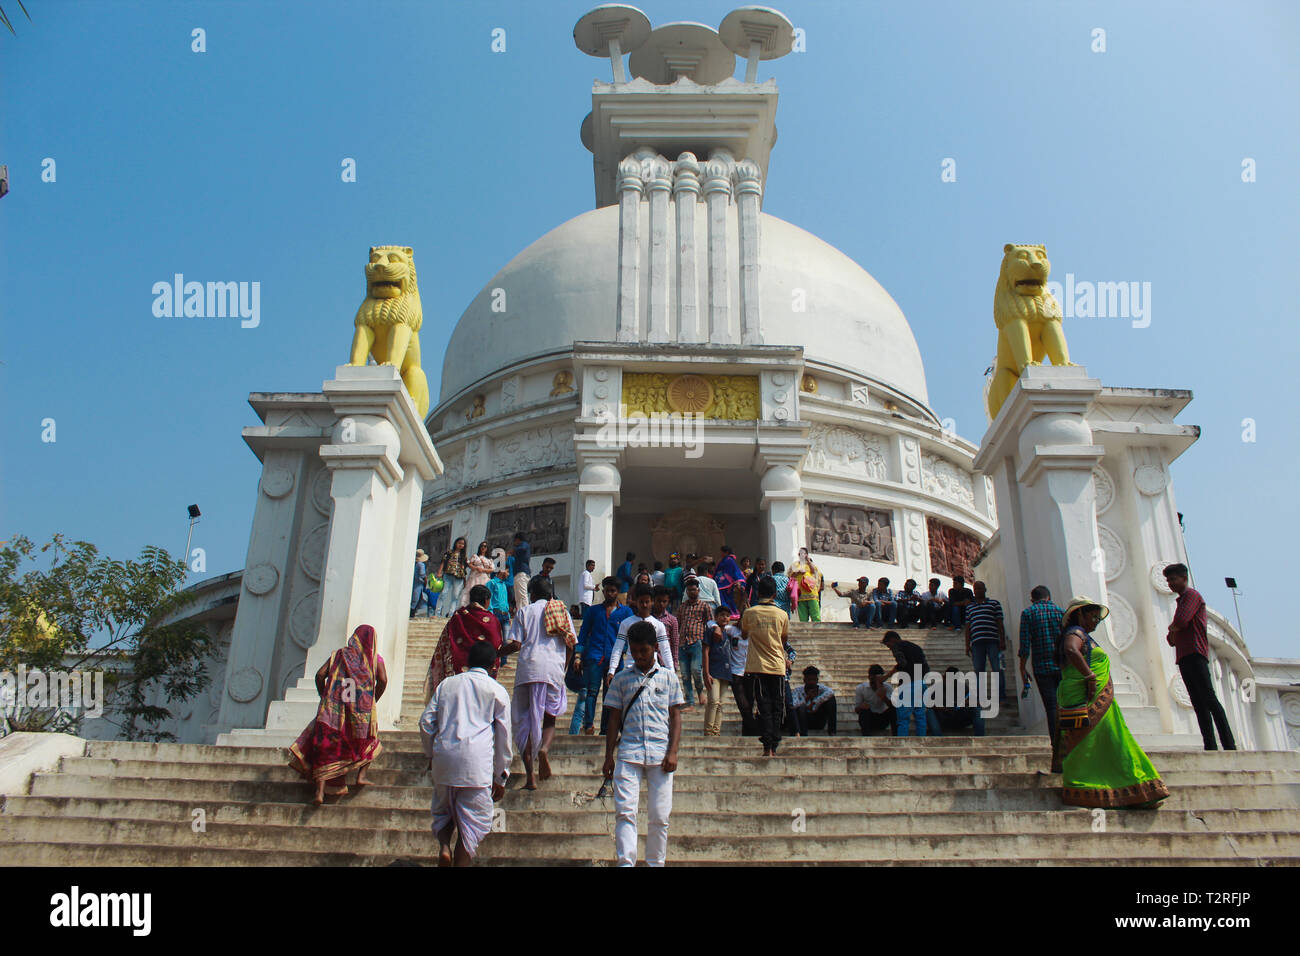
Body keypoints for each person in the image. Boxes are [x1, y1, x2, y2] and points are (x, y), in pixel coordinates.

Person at [1058, 597, 1170, 807]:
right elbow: (1071, 649)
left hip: (1092, 698)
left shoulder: (1083, 635)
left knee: (1107, 741)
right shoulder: (1076, 633)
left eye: (1097, 617)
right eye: (1092, 615)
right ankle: (1119, 787)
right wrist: (1089, 676)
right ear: (1080, 614)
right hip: (1087, 697)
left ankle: (1126, 789)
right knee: (1103, 742)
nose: (1096, 620)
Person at [420, 640, 511, 866]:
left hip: (444, 756)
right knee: (470, 826)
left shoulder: (447, 685)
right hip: (476, 764)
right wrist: (501, 775)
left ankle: (443, 847)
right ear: (493, 665)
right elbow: (504, 736)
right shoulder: (496, 690)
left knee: (443, 813)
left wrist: (432, 754)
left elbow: (425, 722)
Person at [602, 621, 684, 867]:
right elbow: (613, 720)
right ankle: (626, 862)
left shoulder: (669, 678)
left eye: (643, 652)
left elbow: (676, 717)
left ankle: (655, 863)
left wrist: (673, 752)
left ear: (655, 648)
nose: (638, 657)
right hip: (628, 752)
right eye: (634, 652)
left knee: (660, 816)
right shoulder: (621, 680)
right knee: (625, 812)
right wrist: (608, 756)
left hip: (660, 753)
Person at [288, 624, 387, 805]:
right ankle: (361, 776)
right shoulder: (373, 659)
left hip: (333, 709)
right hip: (360, 711)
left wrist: (324, 695)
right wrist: (373, 698)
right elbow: (383, 679)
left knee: (325, 746)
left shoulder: (339, 655)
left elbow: (320, 675)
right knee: (370, 741)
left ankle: (319, 792)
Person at [502, 576, 574, 790]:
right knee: (549, 718)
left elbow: (515, 644)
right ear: (551, 594)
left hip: (528, 670)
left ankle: (530, 777)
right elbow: (571, 645)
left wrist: (496, 654)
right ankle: (544, 749)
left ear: (531, 594)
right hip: (553, 670)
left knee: (524, 724)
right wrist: (563, 668)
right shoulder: (563, 612)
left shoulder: (524, 612)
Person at [1164, 563, 1236, 751]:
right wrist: (1174, 629)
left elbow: (1180, 623)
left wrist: (1174, 628)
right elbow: (1170, 638)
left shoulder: (1192, 596)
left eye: (1173, 579)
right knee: (1198, 702)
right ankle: (1210, 744)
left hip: (1195, 652)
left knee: (1208, 698)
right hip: (1184, 655)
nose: (1170, 583)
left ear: (1184, 579)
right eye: (1168, 580)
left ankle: (1228, 743)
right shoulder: (1181, 601)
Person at [570, 577, 633, 736]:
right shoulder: (593, 611)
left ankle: (605, 729)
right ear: (603, 591)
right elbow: (583, 634)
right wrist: (578, 655)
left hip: (615, 658)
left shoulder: (626, 612)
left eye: (613, 591)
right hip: (594, 655)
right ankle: (588, 725)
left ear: (617, 592)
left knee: (610, 695)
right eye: (607, 590)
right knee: (592, 692)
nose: (610, 593)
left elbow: (630, 635)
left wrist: (625, 649)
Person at [425, 585, 503, 701]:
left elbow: (446, 642)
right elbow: (496, 646)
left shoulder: (458, 616)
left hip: (458, 672)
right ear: (487, 601)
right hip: (484, 677)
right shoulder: (491, 620)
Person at [741, 575, 790, 756]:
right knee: (777, 707)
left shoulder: (750, 613)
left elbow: (744, 634)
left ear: (759, 592)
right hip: (777, 665)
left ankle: (766, 745)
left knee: (764, 707)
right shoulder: (782, 614)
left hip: (758, 667)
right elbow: (783, 639)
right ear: (775, 594)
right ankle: (773, 745)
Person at [1018, 585, 1065, 764]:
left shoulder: (1028, 613)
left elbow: (1024, 644)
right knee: (1066, 705)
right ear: (1049, 597)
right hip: (1062, 665)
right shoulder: (1061, 612)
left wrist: (1023, 668)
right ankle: (1070, 744)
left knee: (1051, 708)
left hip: (1041, 667)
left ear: (1032, 599)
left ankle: (1057, 748)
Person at [607, 583, 673, 680]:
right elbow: (618, 647)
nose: (644, 605)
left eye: (647, 602)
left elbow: (665, 649)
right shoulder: (626, 623)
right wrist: (612, 670)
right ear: (636, 602)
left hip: (652, 672)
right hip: (630, 669)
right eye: (641, 602)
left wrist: (671, 671)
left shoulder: (659, 625)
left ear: (652, 602)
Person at [881, 630, 939, 736]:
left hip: (908, 684)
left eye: (888, 644)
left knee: (903, 717)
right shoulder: (916, 647)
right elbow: (926, 667)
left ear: (892, 640)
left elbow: (902, 663)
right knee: (920, 715)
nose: (888, 648)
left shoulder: (897, 646)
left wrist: (890, 673)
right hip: (920, 683)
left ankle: (902, 742)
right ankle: (921, 740)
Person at [964, 581, 1007, 702]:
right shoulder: (969, 607)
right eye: (975, 589)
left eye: (980, 588)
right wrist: (967, 645)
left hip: (993, 641)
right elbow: (968, 627)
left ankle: (1001, 695)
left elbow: (1000, 623)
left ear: (985, 589)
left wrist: (1002, 640)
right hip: (977, 643)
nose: (977, 590)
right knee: (978, 670)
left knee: (997, 668)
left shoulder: (994, 604)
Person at [675, 577, 710, 710]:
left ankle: (701, 692)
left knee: (696, 670)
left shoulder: (704, 606)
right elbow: (678, 623)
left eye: (694, 589)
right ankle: (689, 701)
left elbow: (709, 624)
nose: (691, 592)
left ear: (698, 590)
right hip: (683, 642)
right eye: (689, 590)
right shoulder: (682, 607)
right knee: (684, 674)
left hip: (697, 642)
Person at [701, 604, 734, 736]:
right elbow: (705, 651)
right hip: (713, 671)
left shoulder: (728, 632)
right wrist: (706, 672)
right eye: (721, 615)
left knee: (721, 703)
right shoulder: (710, 631)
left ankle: (716, 731)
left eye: (727, 616)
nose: (724, 618)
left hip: (725, 672)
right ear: (716, 617)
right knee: (713, 701)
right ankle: (709, 731)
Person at [723, 606, 755, 736]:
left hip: (751, 673)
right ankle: (754, 730)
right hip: (736, 673)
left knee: (750, 704)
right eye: (743, 619)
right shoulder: (732, 630)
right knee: (743, 705)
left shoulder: (756, 633)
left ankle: (746, 733)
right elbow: (714, 624)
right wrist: (715, 627)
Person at [935, 666, 985, 736]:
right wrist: (943, 708)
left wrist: (966, 702)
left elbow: (977, 703)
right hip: (945, 718)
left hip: (960, 717)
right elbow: (929, 704)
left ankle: (980, 737)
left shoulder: (963, 686)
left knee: (977, 709)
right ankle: (937, 735)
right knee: (929, 712)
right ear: (944, 677)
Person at [791, 665, 836, 736]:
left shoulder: (822, 689)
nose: (811, 682)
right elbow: (793, 705)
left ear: (817, 680)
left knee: (831, 700)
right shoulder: (797, 691)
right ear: (804, 680)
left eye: (814, 680)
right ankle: (803, 734)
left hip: (818, 719)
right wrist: (806, 699)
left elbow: (831, 692)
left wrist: (815, 702)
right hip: (804, 720)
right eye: (809, 680)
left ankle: (832, 732)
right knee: (800, 708)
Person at [854, 664, 896, 735]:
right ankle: (866, 735)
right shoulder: (861, 688)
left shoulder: (887, 687)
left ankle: (896, 735)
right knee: (864, 711)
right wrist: (862, 707)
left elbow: (893, 707)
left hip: (883, 718)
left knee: (894, 709)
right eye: (873, 681)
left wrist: (884, 697)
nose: (875, 684)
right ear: (869, 678)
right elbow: (857, 709)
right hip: (869, 718)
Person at [651, 584, 681, 678]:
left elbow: (675, 642)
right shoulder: (647, 618)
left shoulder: (672, 620)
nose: (661, 604)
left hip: (664, 660)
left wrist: (674, 663)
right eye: (658, 601)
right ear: (653, 600)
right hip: (649, 659)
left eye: (664, 601)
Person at [437, 537, 470, 615]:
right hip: (448, 574)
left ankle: (451, 614)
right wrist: (439, 572)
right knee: (443, 593)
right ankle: (437, 613)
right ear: (456, 543)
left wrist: (464, 580)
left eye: (462, 544)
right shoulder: (449, 553)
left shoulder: (464, 556)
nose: (460, 545)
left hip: (459, 577)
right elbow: (443, 562)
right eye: (459, 543)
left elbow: (464, 568)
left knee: (455, 596)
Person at [789, 548, 823, 622]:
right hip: (800, 594)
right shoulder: (795, 565)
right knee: (803, 618)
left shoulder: (811, 564)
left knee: (815, 616)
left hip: (812, 594)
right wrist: (797, 572)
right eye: (800, 553)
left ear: (807, 555)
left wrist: (808, 561)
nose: (801, 555)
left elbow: (815, 573)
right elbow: (789, 576)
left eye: (803, 553)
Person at [459, 541, 495, 609]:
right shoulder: (475, 556)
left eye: (485, 546)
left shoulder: (489, 559)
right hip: (474, 576)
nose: (483, 547)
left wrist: (483, 570)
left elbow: (492, 569)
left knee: (483, 593)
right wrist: (476, 568)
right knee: (470, 591)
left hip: (484, 577)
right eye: (482, 546)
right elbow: (469, 564)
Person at [714, 546, 745, 613]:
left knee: (727, 599)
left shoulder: (729, 560)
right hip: (721, 582)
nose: (720, 554)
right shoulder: (724, 560)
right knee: (724, 599)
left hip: (726, 583)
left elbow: (735, 570)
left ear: (726, 552)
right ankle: (727, 612)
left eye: (721, 552)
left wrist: (738, 580)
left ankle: (729, 612)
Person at [511, 533, 532, 612]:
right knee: (518, 596)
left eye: (515, 541)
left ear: (518, 539)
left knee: (522, 595)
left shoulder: (524, 544)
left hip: (522, 573)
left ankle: (526, 613)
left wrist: (513, 550)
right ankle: (520, 612)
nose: (514, 543)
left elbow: (522, 548)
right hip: (518, 573)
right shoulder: (519, 549)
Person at [411, 549, 430, 618]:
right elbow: (422, 574)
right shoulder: (421, 564)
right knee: (416, 599)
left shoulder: (415, 564)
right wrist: (425, 581)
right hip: (419, 583)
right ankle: (412, 613)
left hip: (414, 582)